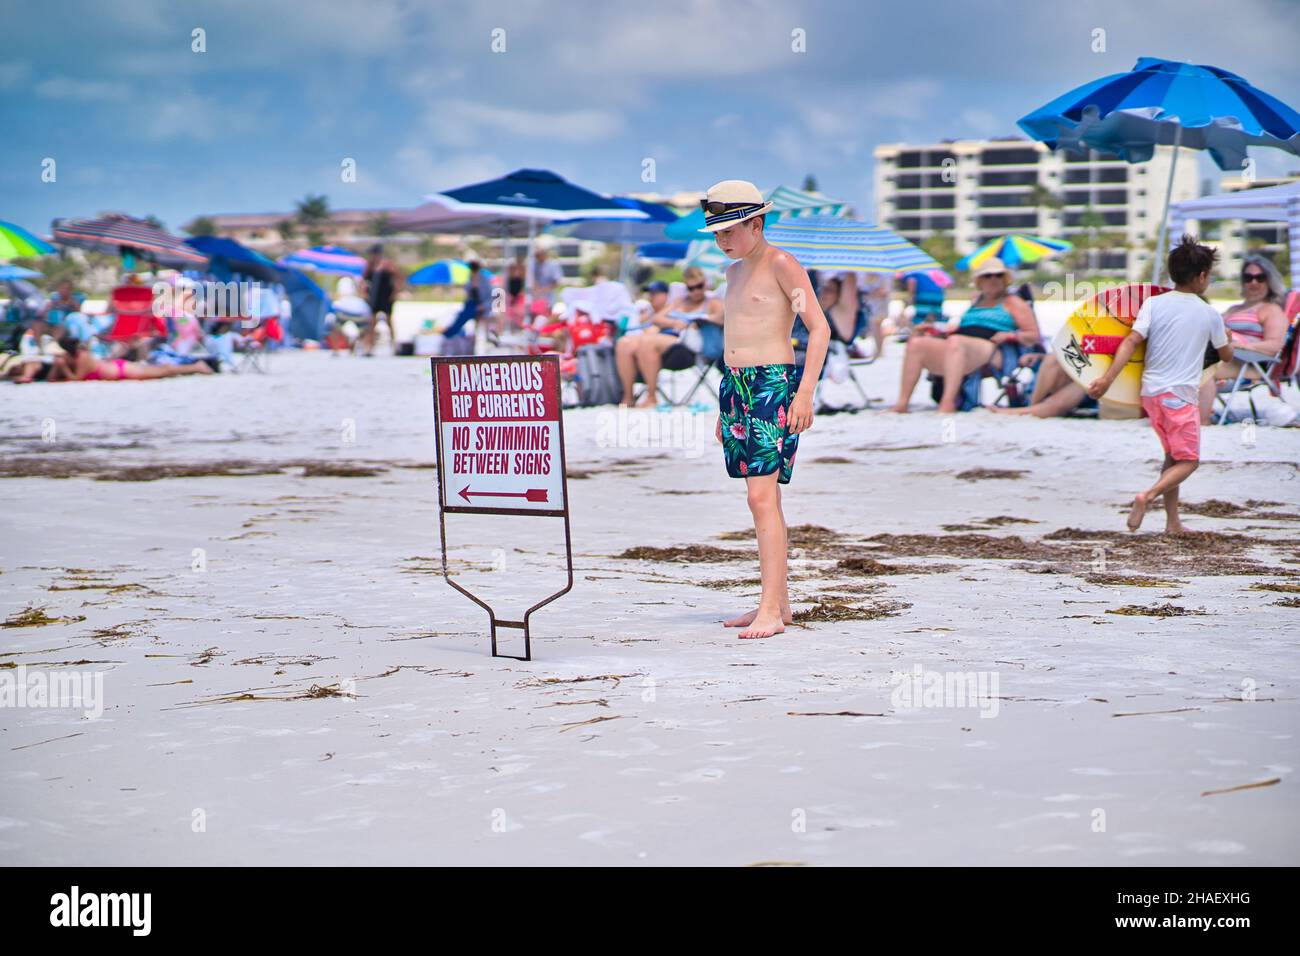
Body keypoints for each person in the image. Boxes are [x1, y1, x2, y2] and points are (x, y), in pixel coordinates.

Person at [702, 179, 830, 640]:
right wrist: (725, 408)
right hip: (735, 386)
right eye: (716, 234)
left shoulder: (782, 263)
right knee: (763, 497)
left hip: (772, 386)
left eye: (729, 232)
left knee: (760, 497)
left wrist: (805, 394)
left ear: (756, 224)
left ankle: (769, 611)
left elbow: (819, 329)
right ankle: (779, 604)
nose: (722, 241)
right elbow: (737, 334)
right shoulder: (733, 273)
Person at [1087, 236, 1234, 534]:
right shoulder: (1208, 313)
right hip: (1179, 397)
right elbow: (1226, 355)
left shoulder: (1153, 304)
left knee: (1172, 457)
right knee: (1189, 462)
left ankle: (1173, 522)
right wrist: (1228, 336)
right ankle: (1147, 496)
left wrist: (1106, 380)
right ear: (1202, 276)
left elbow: (1131, 341)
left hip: (1151, 395)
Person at [891, 257, 1038, 413]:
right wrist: (939, 330)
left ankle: (948, 403)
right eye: (988, 276)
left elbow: (1033, 335)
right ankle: (902, 403)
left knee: (956, 342)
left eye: (998, 275)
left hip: (995, 347)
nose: (993, 279)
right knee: (917, 343)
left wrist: (1010, 335)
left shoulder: (1013, 302)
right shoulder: (977, 302)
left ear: (1005, 279)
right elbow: (963, 328)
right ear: (980, 281)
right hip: (962, 343)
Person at [1198, 254, 1290, 423]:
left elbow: (1275, 345)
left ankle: (1202, 421)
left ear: (1269, 281)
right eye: (1248, 278)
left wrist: (1241, 346)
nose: (1253, 282)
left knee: (1200, 370)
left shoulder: (1271, 310)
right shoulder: (1234, 308)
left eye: (1259, 278)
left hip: (1248, 364)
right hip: (1222, 356)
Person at [616, 267, 722, 407]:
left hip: (689, 344)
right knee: (624, 343)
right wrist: (675, 322)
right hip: (669, 337)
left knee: (647, 341)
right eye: (691, 288)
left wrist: (699, 320)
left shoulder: (712, 302)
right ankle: (628, 397)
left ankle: (651, 396)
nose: (695, 291)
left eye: (699, 286)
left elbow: (722, 319)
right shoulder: (681, 301)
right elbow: (657, 318)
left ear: (705, 284)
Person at [51, 336, 214, 381]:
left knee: (163, 371)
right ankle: (195, 368)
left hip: (121, 371)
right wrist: (57, 366)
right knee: (161, 371)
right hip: (118, 369)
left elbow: (77, 378)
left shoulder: (82, 357)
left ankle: (197, 367)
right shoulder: (74, 356)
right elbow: (51, 379)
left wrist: (63, 367)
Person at [361, 245, 401, 356]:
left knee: (389, 322)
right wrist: (364, 293)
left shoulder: (387, 265)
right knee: (371, 323)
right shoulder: (369, 266)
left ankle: (394, 346)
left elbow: (398, 278)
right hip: (374, 298)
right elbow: (364, 281)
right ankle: (369, 347)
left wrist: (395, 293)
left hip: (386, 297)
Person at [532, 238, 564, 306]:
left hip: (549, 301)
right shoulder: (533, 264)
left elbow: (557, 282)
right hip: (535, 301)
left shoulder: (553, 264)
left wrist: (543, 290)